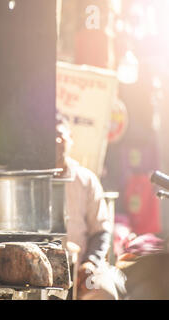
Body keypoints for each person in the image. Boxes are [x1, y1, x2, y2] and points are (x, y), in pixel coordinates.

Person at [55, 114, 125, 299]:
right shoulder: (33, 178)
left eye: (62, 135)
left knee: (106, 294)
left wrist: (90, 263)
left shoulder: (86, 179)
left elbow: (101, 230)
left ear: (71, 139)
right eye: (53, 135)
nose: (58, 140)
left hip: (82, 270)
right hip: (43, 271)